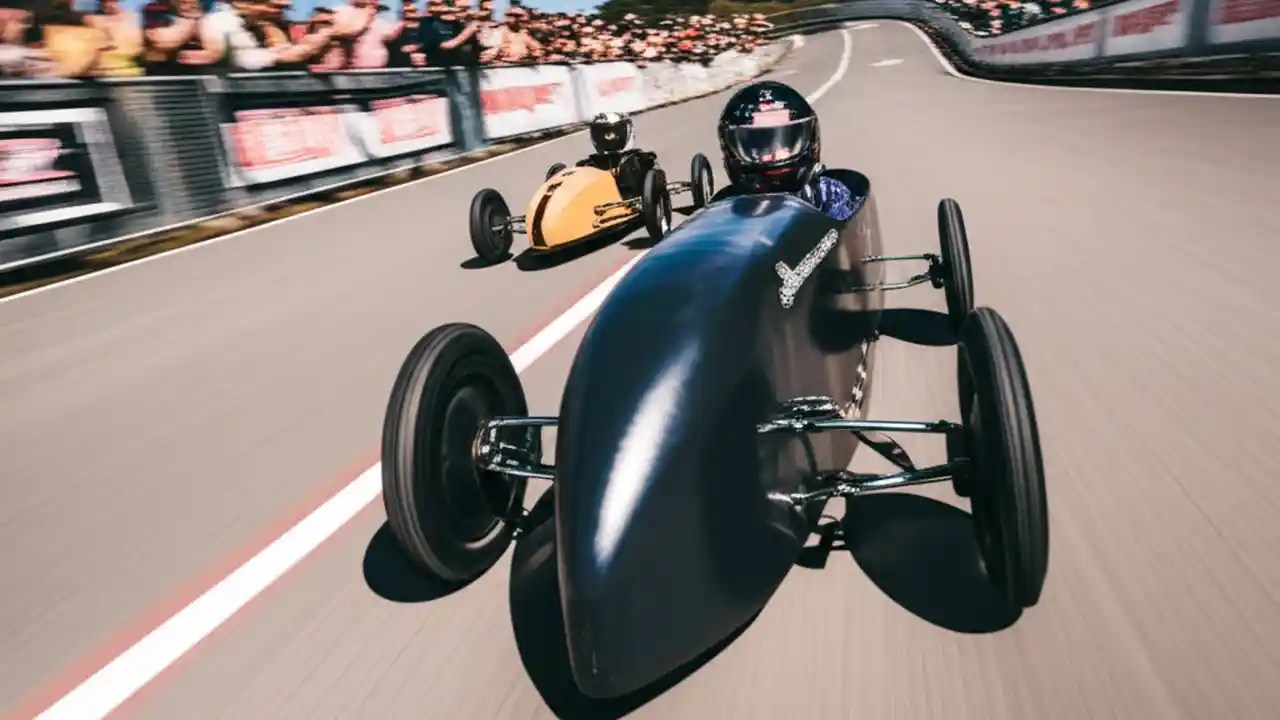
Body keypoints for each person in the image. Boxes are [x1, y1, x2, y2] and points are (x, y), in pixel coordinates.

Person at [715, 80, 857, 221]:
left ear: (810, 142)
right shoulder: (721, 210)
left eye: (785, 144)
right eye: (760, 148)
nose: (774, 155)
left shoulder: (829, 195)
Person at [575, 111, 657, 199]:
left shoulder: (639, 158)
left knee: (630, 165)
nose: (608, 138)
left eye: (611, 133)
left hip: (632, 201)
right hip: (595, 203)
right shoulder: (588, 165)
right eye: (603, 133)